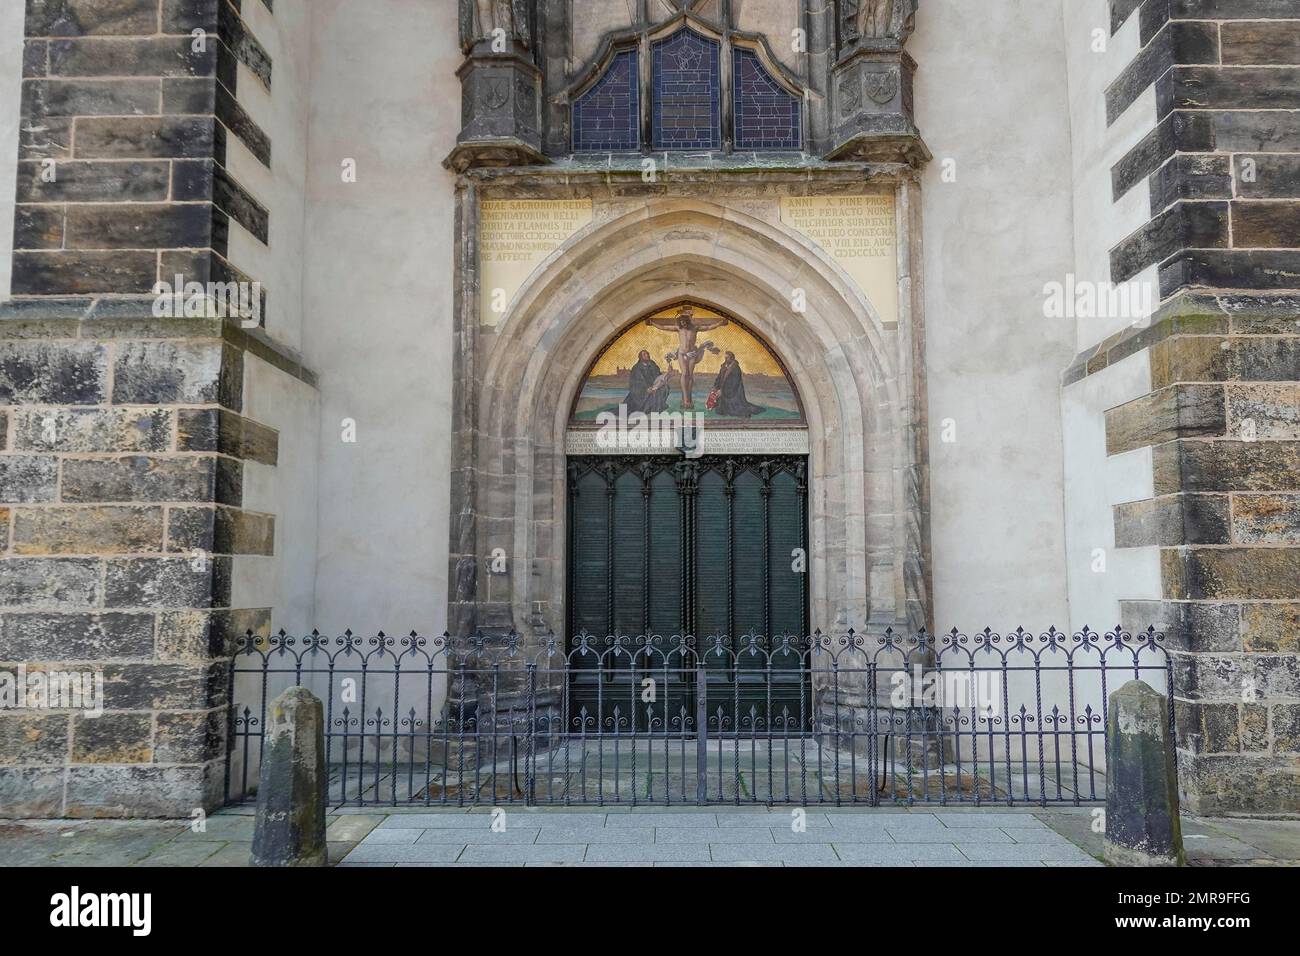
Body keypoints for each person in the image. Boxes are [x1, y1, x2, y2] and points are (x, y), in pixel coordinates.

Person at [645, 305, 729, 409]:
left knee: (690, 375)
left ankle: (689, 398)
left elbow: (708, 327)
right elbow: (664, 327)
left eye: (685, 322)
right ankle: (685, 399)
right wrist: (652, 323)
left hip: (692, 353)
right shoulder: (678, 329)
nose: (683, 324)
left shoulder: (695, 328)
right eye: (681, 323)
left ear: (687, 322)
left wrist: (720, 323)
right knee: (684, 374)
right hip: (682, 353)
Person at [711, 351, 764, 419]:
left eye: (727, 358)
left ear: (732, 358)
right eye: (725, 358)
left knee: (735, 411)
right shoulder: (723, 366)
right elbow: (719, 378)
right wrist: (715, 387)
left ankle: (746, 414)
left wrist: (722, 391)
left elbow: (734, 384)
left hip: (734, 394)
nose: (725, 359)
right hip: (723, 392)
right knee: (719, 411)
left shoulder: (736, 368)